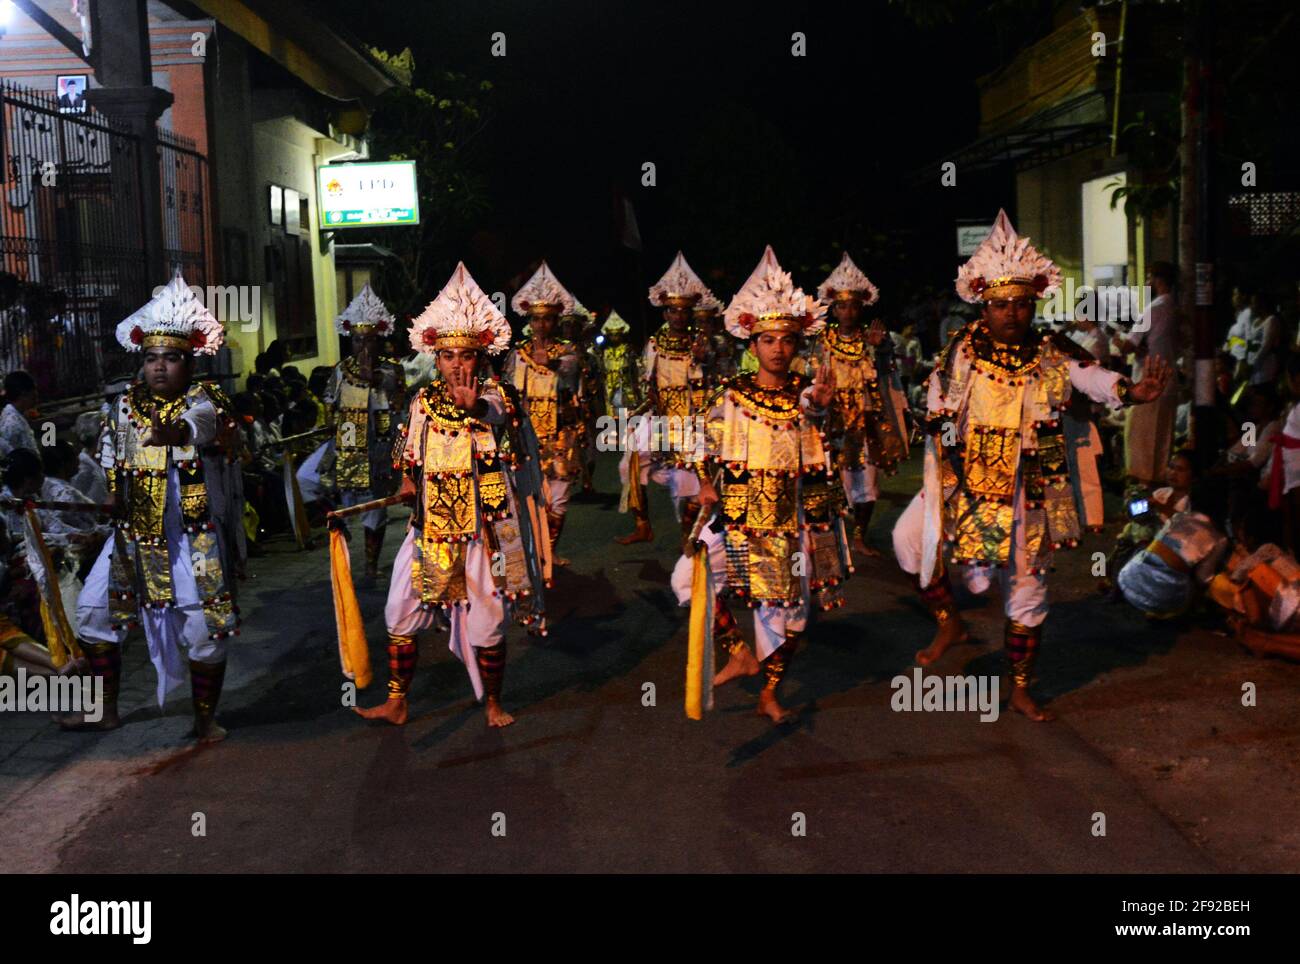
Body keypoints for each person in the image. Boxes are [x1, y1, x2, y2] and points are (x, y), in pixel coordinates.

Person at [891, 210, 1171, 721]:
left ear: (1032, 304)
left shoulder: (1050, 350)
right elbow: (937, 405)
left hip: (1030, 490)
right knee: (910, 542)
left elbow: (1090, 377)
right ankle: (949, 621)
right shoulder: (962, 350)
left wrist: (1131, 391)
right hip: (966, 484)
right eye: (1001, 304)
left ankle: (1021, 685)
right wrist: (946, 447)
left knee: (1026, 590)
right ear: (984, 305)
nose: (1012, 314)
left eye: (1021, 304)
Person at [355, 263, 547, 727]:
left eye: (465, 355)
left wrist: (475, 406)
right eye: (448, 356)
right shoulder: (423, 400)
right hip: (430, 527)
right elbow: (409, 447)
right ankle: (397, 701)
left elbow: (498, 415)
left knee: (487, 622)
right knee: (398, 612)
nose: (457, 364)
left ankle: (495, 703)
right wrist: (405, 481)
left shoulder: (498, 394)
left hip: (483, 531)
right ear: (435, 359)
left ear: (479, 357)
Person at [671, 245, 844, 725]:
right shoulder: (733, 395)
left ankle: (769, 691)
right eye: (768, 340)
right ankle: (738, 653)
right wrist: (706, 481)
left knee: (785, 615)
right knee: (687, 579)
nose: (778, 349)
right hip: (738, 513)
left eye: (787, 340)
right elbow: (702, 439)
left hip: (793, 520)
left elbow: (820, 418)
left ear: (796, 345)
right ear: (753, 346)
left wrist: (823, 408)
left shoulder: (805, 392)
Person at [63, 272, 238, 741]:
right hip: (133, 536)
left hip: (192, 539)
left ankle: (205, 719)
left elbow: (198, 425)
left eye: (172, 358)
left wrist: (171, 434)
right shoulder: (121, 407)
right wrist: (110, 504)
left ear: (190, 363)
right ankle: (106, 710)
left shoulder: (205, 401)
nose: (159, 367)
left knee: (206, 630)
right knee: (92, 615)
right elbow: (114, 466)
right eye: (151, 357)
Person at [299, 284, 406, 583]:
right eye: (358, 341)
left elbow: (393, 394)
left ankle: (371, 565)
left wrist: (373, 376)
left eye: (369, 341)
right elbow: (330, 401)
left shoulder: (391, 370)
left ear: (379, 341)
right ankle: (336, 524)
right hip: (344, 445)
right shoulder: (340, 369)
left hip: (377, 448)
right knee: (305, 479)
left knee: (374, 509)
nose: (363, 347)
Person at [810, 251, 908, 557]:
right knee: (829, 480)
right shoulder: (822, 340)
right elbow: (810, 375)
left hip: (865, 422)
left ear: (860, 308)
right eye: (841, 306)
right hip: (833, 420)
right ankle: (832, 534)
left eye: (853, 306)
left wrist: (880, 351)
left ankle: (858, 536)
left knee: (866, 484)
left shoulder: (873, 338)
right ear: (834, 309)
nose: (848, 312)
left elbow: (889, 379)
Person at [616, 252, 716, 544]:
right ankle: (643, 524)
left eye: (683, 311)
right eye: (673, 311)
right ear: (665, 314)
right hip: (659, 418)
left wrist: (704, 361)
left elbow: (713, 384)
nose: (678, 316)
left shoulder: (701, 344)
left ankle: (692, 542)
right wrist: (638, 413)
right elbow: (651, 386)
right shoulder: (655, 344)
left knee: (685, 485)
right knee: (629, 464)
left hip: (690, 420)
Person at [503, 261, 585, 569]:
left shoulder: (568, 352)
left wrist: (551, 365)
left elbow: (570, 374)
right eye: (536, 320)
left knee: (559, 500)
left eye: (548, 320)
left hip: (561, 436)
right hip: (527, 437)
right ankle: (531, 552)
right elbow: (507, 394)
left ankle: (547, 553)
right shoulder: (518, 354)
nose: (541, 326)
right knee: (527, 497)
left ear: (555, 321)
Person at [1117, 484, 1228, 620]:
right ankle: (1167, 610)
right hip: (1163, 597)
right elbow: (1202, 577)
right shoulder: (1220, 539)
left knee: (1147, 551)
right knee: (1194, 581)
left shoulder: (1179, 517)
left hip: (1128, 579)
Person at [1116, 261, 1179, 485]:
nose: (1147, 283)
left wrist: (1116, 337)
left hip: (1149, 382)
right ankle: (1159, 489)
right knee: (1162, 441)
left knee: (1140, 441)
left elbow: (1128, 346)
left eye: (1149, 278)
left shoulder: (1153, 309)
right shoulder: (1175, 308)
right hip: (1170, 380)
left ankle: (1142, 492)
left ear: (1158, 279)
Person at [597, 311, 640, 418]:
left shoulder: (628, 349)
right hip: (609, 388)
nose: (614, 337)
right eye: (612, 335)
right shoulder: (604, 351)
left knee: (627, 418)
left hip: (626, 387)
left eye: (617, 335)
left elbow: (637, 369)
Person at [0, 371, 39, 458]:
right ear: (24, 395)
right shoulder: (12, 423)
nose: (37, 397)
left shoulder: (15, 416)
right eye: (34, 394)